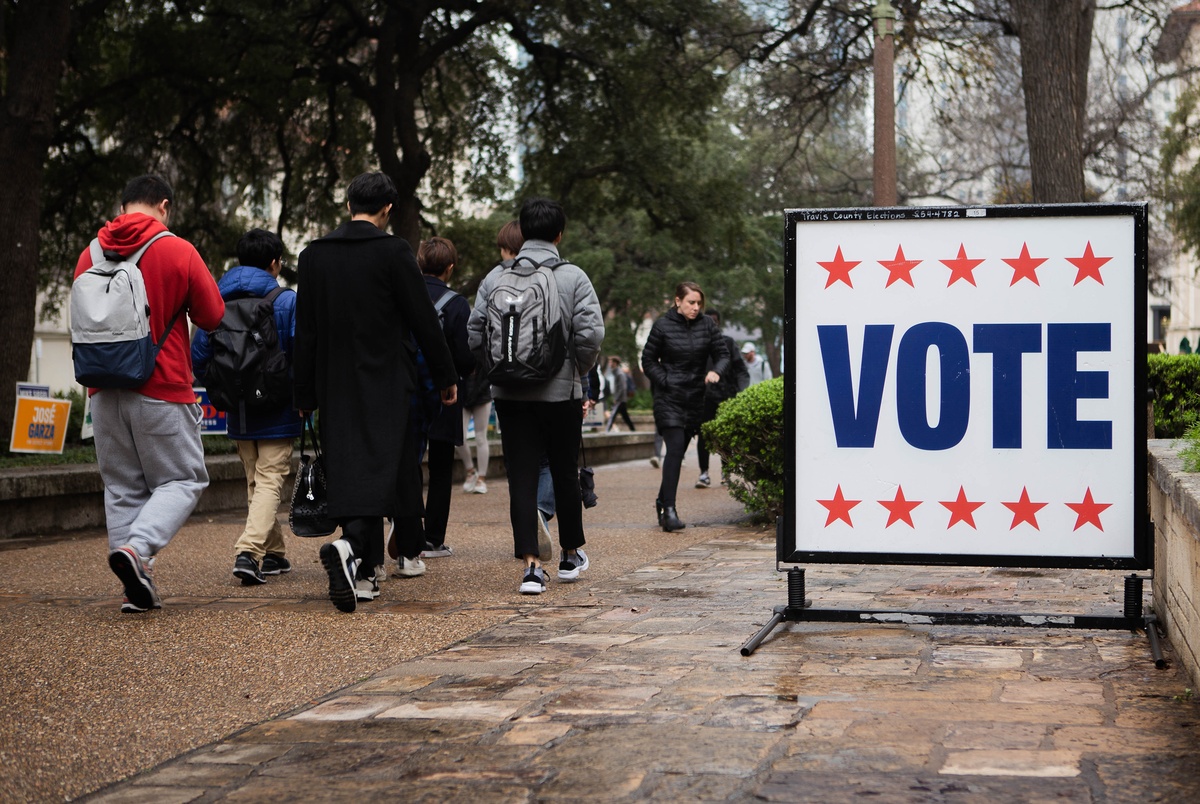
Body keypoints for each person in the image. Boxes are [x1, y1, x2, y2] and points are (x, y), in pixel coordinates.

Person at [293, 172, 457, 613]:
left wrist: (304, 392)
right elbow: (423, 317)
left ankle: (362, 571)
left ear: (349, 205)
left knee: (347, 466)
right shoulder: (393, 251)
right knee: (385, 467)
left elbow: (305, 332)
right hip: (387, 379)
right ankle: (352, 552)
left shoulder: (313, 256)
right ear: (387, 209)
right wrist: (445, 376)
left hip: (333, 382)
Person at [74, 175, 225, 613]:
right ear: (163, 205)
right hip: (161, 385)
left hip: (102, 389)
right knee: (183, 478)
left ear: (122, 207)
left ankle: (134, 589)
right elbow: (213, 315)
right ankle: (137, 552)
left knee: (122, 487)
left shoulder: (91, 252)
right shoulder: (177, 249)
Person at [468, 198, 604, 594]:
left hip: (510, 395)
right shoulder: (574, 276)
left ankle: (530, 567)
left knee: (521, 477)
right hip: (561, 393)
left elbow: (476, 332)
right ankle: (569, 554)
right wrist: (577, 370)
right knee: (564, 470)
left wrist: (499, 369)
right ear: (560, 234)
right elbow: (591, 333)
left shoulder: (495, 278)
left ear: (523, 233)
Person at [192, 228, 301, 585]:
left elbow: (197, 356)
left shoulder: (215, 299)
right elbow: (301, 354)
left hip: (236, 406)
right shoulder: (285, 301)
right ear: (275, 263)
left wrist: (225, 383)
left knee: (256, 481)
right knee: (270, 480)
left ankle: (274, 555)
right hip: (278, 406)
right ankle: (249, 552)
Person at [397, 236, 474, 564]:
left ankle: (406, 524)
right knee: (442, 468)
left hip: (406, 389)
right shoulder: (457, 304)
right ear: (450, 268)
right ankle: (433, 539)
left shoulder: (402, 296)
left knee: (408, 460)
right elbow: (465, 356)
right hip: (445, 392)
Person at [641, 281, 729, 532]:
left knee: (677, 453)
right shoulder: (663, 326)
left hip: (695, 398)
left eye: (699, 303)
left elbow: (723, 354)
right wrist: (665, 380)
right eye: (691, 302)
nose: (696, 307)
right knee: (676, 448)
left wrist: (716, 371)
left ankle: (662, 501)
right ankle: (669, 510)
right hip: (669, 397)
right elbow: (648, 359)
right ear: (677, 301)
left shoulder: (707, 325)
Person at [696, 310, 749, 488]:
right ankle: (704, 473)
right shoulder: (698, 346)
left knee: (726, 435)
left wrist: (741, 393)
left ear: (718, 323)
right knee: (703, 435)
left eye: (714, 321)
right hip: (705, 398)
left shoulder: (728, 343)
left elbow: (741, 370)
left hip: (727, 396)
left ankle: (726, 472)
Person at [604, 356, 637, 432]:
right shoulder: (616, 372)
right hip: (621, 399)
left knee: (613, 415)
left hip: (620, 399)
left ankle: (607, 431)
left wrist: (616, 398)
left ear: (615, 363)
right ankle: (633, 429)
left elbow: (623, 387)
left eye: (611, 362)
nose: (609, 363)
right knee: (625, 416)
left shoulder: (619, 373)